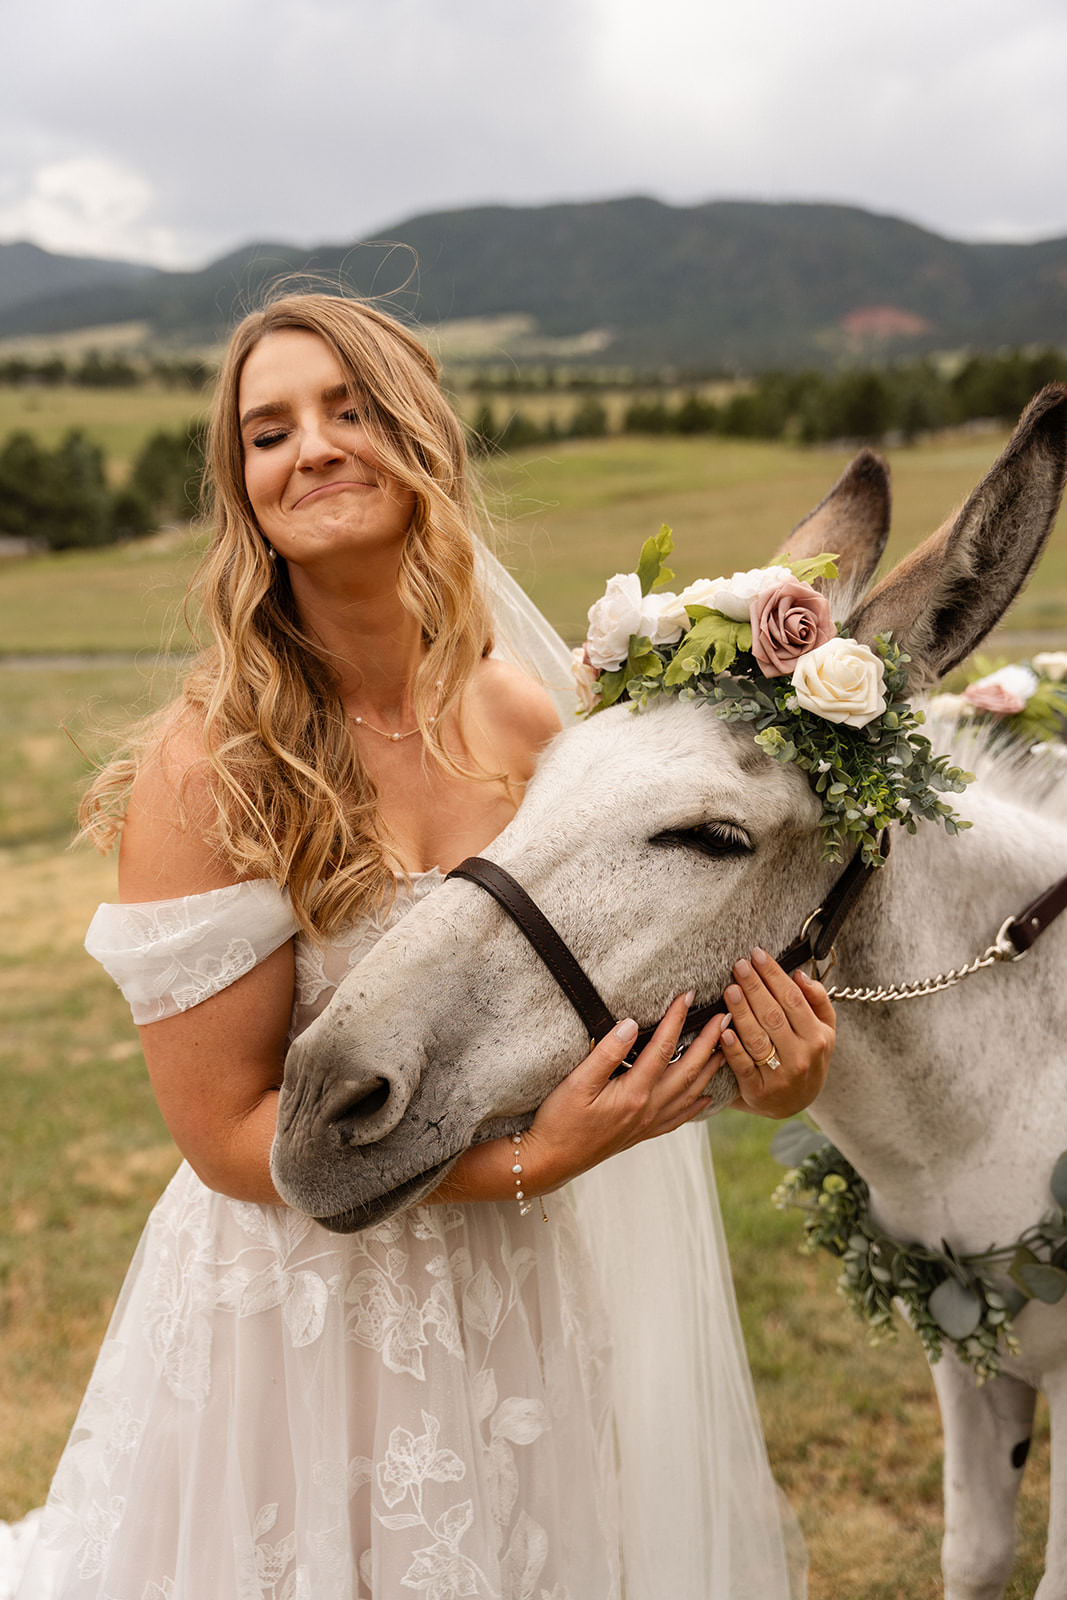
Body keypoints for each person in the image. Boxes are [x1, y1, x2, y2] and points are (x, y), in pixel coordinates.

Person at [5, 293, 836, 1600]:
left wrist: (763, 1074)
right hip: (309, 1310)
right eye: (268, 432)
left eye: (348, 410)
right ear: (243, 490)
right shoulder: (213, 766)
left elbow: (599, 1000)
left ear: (421, 439)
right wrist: (525, 1162)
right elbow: (227, 1137)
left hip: (524, 1289)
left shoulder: (524, 713)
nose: (314, 448)